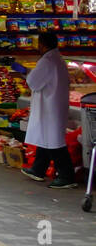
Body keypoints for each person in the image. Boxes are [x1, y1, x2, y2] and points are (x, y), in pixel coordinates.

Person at [20, 30, 77, 189]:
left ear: (42, 44)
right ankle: (38, 169)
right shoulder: (56, 58)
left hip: (50, 106)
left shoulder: (47, 61)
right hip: (53, 104)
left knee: (54, 140)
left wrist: (23, 71)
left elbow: (34, 82)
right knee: (46, 136)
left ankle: (67, 176)